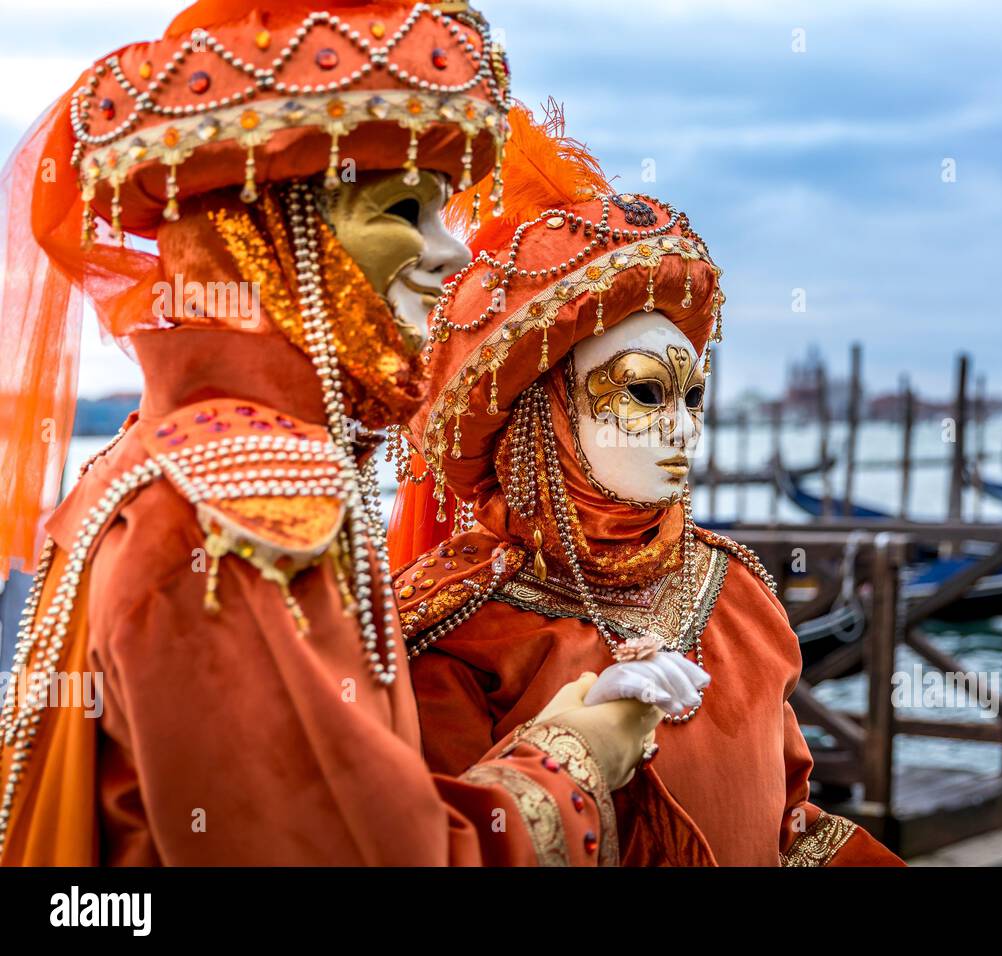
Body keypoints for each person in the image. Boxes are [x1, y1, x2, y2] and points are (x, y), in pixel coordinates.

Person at [0, 0, 660, 866]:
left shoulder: (150, 458)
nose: (454, 255)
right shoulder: (249, 510)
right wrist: (573, 758)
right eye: (401, 212)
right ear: (268, 243)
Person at [388, 107, 905, 866]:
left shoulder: (734, 594)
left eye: (691, 397)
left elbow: (786, 825)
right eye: (642, 393)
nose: (683, 431)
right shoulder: (458, 635)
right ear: (545, 412)